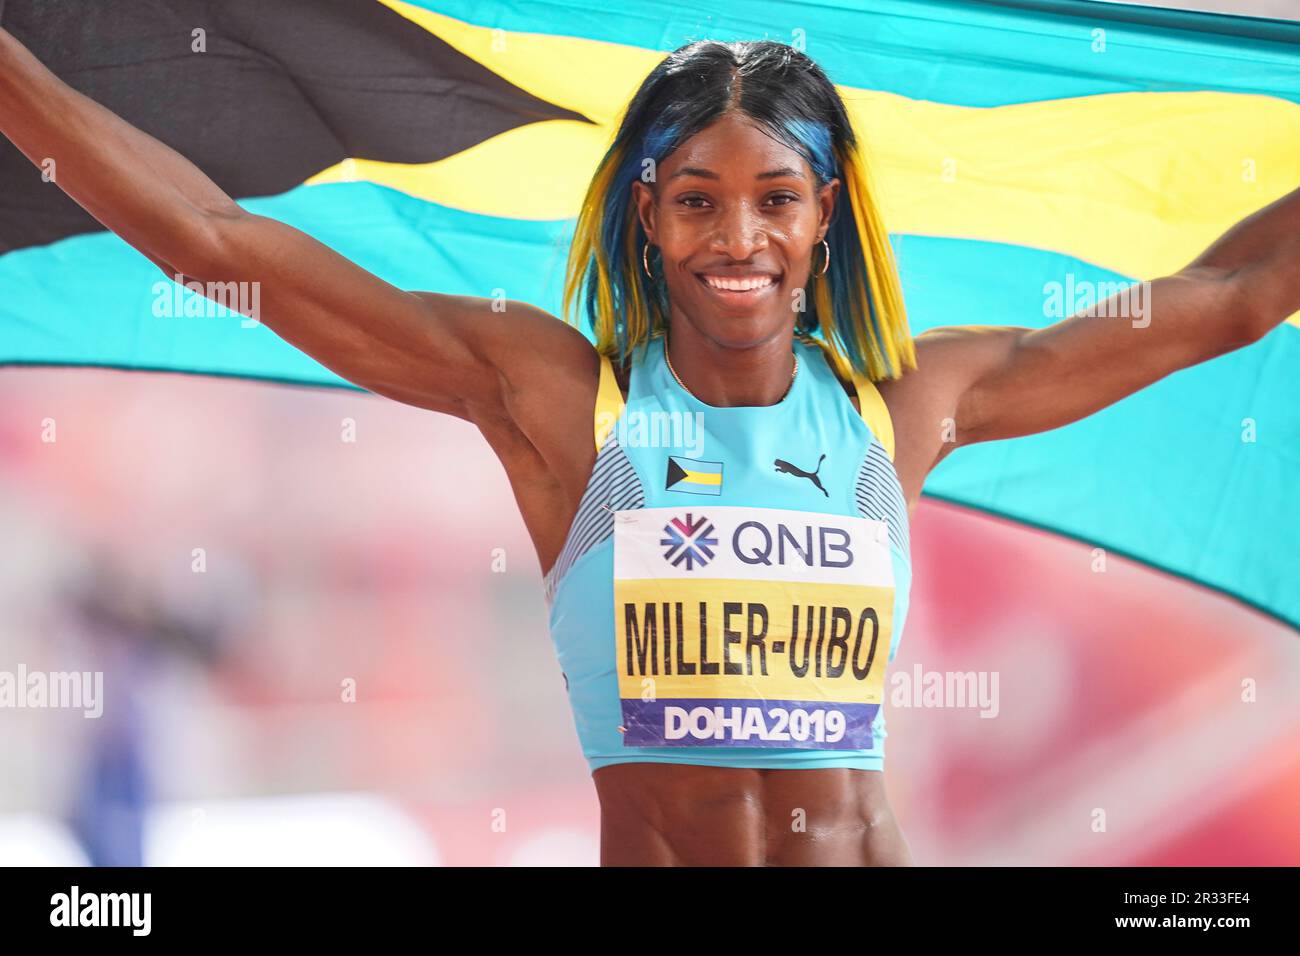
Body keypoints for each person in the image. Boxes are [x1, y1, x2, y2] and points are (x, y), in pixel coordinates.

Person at [2, 31, 1295, 866]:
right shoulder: (560, 402)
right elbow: (219, 243)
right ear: (649, 215)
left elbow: (1227, 296)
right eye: (698, 201)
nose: (739, 239)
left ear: (825, 216)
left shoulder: (903, 403)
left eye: (776, 200)